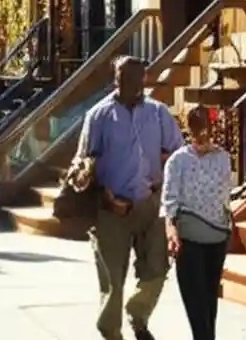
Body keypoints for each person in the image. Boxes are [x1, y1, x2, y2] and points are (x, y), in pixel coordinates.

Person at [77, 55, 184, 340]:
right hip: (111, 209)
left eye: (138, 77)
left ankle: (138, 314)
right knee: (112, 280)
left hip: (151, 203)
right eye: (126, 77)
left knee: (157, 269)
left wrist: (167, 184)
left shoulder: (159, 113)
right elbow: (82, 165)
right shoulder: (99, 116)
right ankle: (111, 331)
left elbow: (178, 154)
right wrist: (105, 195)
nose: (133, 83)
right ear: (116, 79)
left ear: (145, 79)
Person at [161, 106, 232, 340]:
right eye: (198, 132)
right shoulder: (177, 161)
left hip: (217, 235)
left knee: (210, 300)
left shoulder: (223, 158)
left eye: (209, 132)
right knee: (196, 300)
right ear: (189, 131)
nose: (204, 139)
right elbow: (170, 199)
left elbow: (224, 196)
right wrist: (171, 230)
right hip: (189, 237)